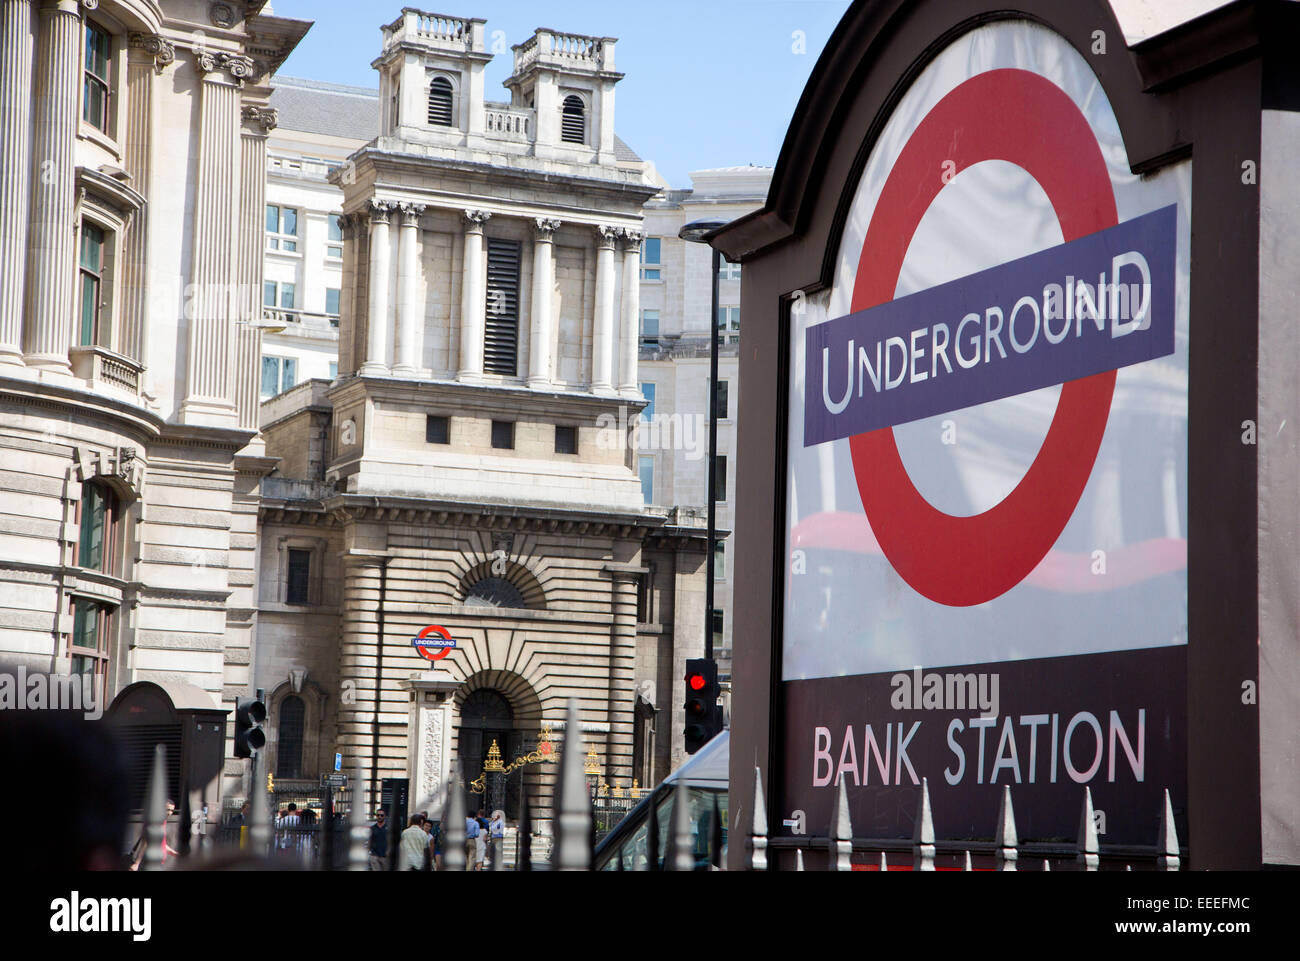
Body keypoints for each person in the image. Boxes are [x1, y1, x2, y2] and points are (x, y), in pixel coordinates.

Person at [130, 799, 179, 870]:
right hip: (151, 863)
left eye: (172, 811)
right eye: (168, 809)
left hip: (158, 863)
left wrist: (172, 852)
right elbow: (146, 842)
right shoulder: (156, 822)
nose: (170, 813)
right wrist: (137, 863)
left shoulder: (163, 822)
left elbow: (161, 843)